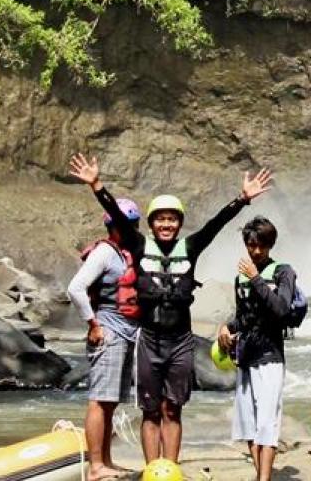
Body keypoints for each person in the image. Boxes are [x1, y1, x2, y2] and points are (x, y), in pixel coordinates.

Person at [69, 153, 275, 464]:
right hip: (149, 340)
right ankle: (154, 469)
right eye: (160, 219)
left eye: (172, 219)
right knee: (150, 410)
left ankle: (170, 467)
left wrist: (242, 199)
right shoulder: (139, 246)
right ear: (152, 224)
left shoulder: (190, 248)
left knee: (172, 409)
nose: (166, 224)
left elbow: (216, 224)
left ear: (179, 223)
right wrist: (97, 185)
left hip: (180, 341)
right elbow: (117, 216)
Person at [67, 204, 143, 481]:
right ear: (112, 227)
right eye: (125, 225)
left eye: (133, 225)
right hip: (108, 331)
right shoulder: (105, 252)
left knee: (110, 403)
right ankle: (96, 466)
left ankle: (106, 462)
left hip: (125, 332)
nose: (131, 230)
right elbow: (75, 288)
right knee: (99, 400)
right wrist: (93, 324)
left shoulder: (125, 253)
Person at [217, 216, 296, 481]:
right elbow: (243, 318)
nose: (257, 251)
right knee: (249, 425)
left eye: (262, 245)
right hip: (246, 356)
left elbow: (281, 309)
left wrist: (256, 278)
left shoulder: (283, 272)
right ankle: (261, 475)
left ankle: (264, 479)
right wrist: (226, 327)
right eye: (252, 245)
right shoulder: (240, 279)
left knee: (267, 423)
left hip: (270, 356)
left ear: (271, 244)